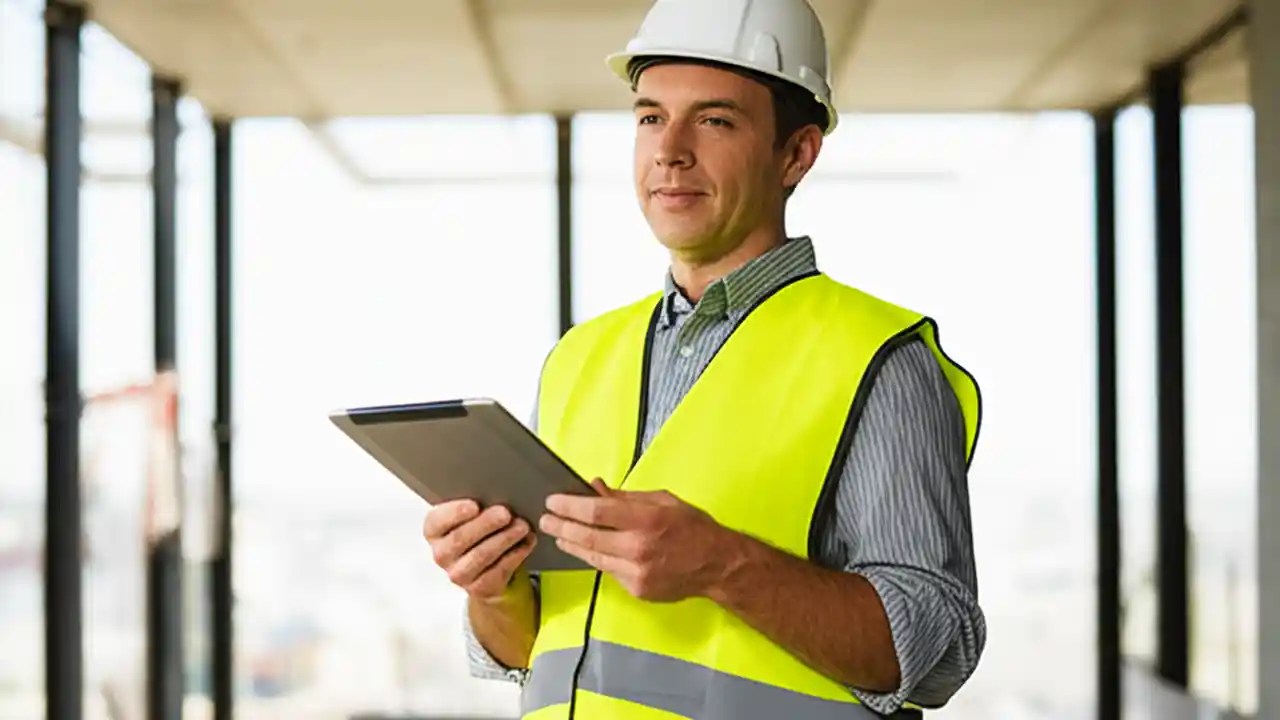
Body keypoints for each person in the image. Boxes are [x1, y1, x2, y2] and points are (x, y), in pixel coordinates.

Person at [422, 0, 984, 717]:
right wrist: (490, 587)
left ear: (796, 154)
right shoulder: (577, 358)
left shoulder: (879, 359)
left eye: (714, 120)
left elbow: (935, 654)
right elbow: (531, 648)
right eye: (650, 117)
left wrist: (724, 563)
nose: (669, 150)